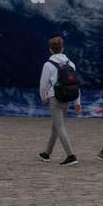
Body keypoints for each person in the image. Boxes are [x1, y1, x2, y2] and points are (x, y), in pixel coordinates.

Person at [37, 36, 81, 167]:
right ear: (62, 48)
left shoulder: (48, 65)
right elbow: (75, 84)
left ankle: (71, 156)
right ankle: (46, 153)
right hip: (67, 98)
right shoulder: (71, 64)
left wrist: (43, 97)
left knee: (60, 127)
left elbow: (43, 85)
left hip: (55, 98)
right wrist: (77, 102)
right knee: (56, 126)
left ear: (51, 50)